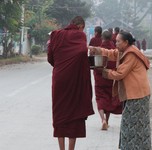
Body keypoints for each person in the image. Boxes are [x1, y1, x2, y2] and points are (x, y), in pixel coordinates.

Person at [89, 30, 151, 150]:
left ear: (126, 42)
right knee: (129, 124)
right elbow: (111, 53)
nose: (115, 43)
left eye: (118, 41)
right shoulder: (123, 51)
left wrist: (104, 72)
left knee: (135, 125)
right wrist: (96, 49)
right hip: (133, 94)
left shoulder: (131, 54)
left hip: (137, 95)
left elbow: (120, 74)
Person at [47, 16, 94, 150]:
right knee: (75, 113)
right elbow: (82, 52)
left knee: (59, 114)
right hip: (75, 79)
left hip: (59, 79)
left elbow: (50, 57)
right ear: (80, 26)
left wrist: (60, 66)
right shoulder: (80, 35)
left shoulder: (56, 34)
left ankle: (61, 148)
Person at [93, 30, 122, 130]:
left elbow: (93, 63)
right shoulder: (115, 50)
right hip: (110, 77)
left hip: (99, 78)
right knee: (109, 98)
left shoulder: (99, 50)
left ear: (102, 38)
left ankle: (103, 120)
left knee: (100, 98)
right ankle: (107, 120)